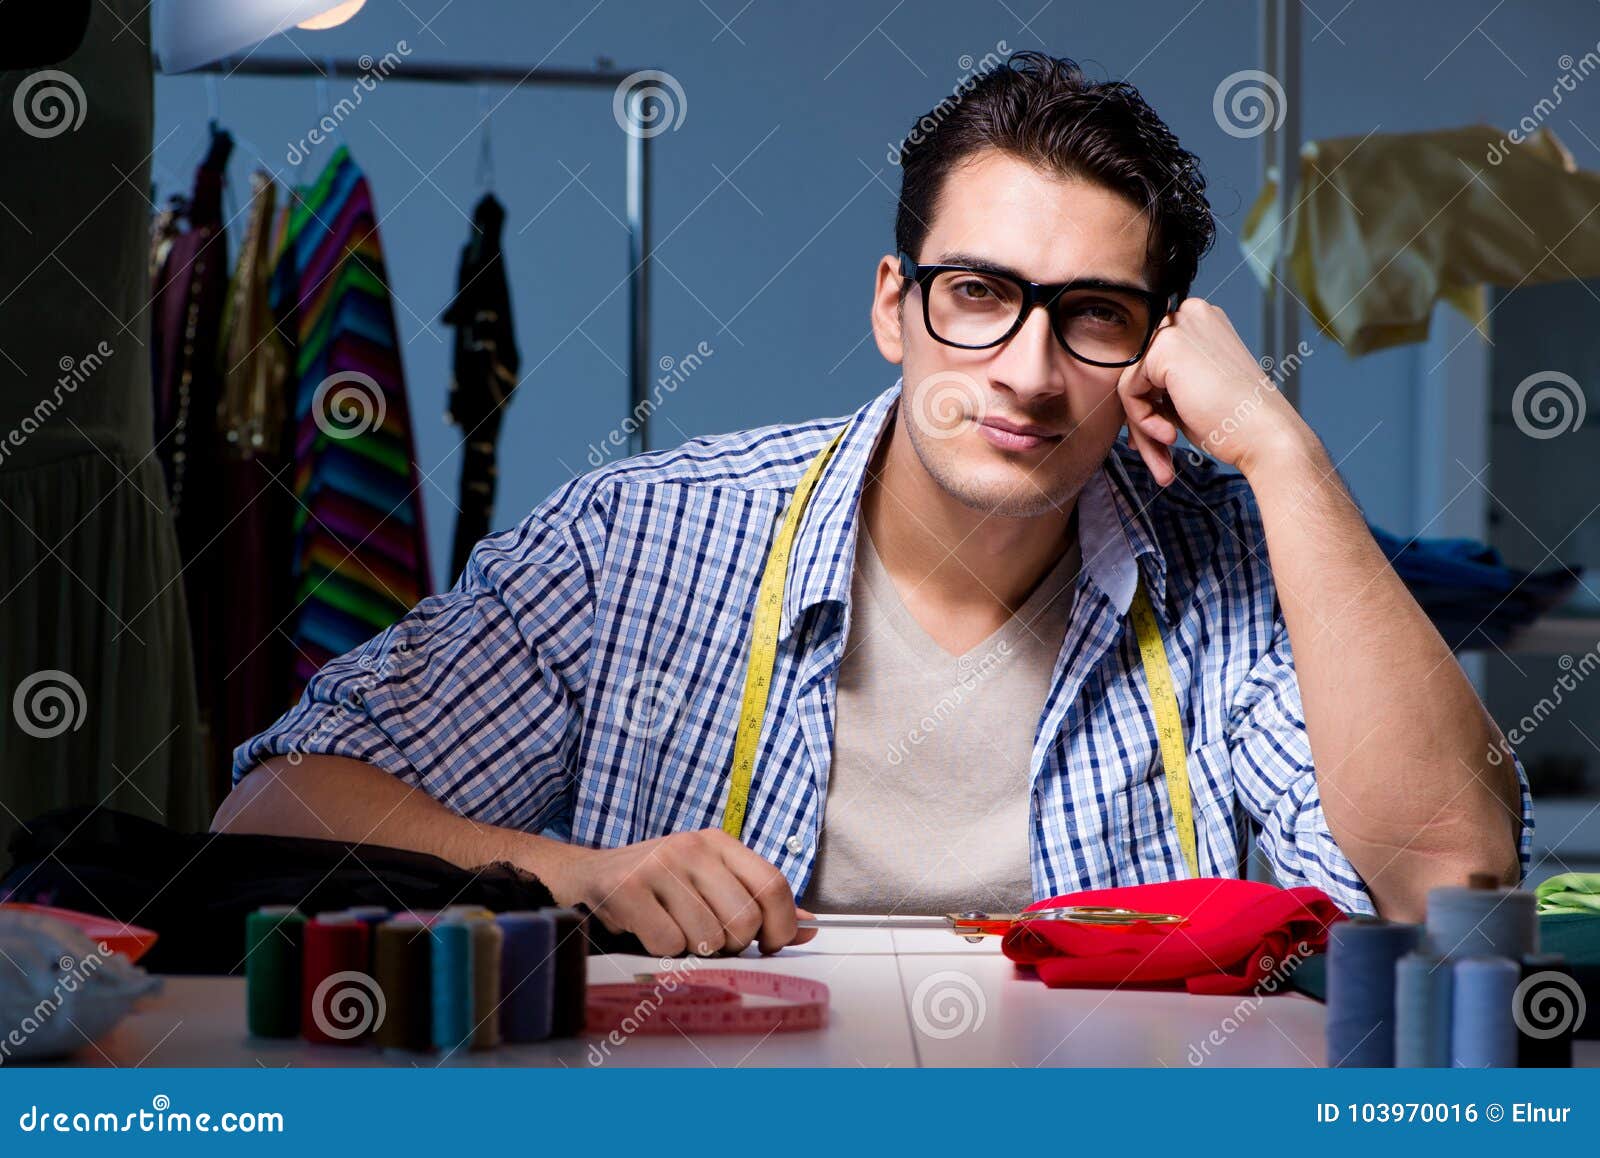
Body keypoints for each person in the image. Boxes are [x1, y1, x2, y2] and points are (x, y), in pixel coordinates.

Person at [216, 52, 1529, 958]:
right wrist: (580, 876)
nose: (1027, 368)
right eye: (979, 295)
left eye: (1092, 316)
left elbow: (1449, 876)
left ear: (1157, 346)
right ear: (895, 304)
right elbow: (274, 811)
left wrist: (1285, 454)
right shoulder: (642, 539)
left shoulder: (1234, 567)